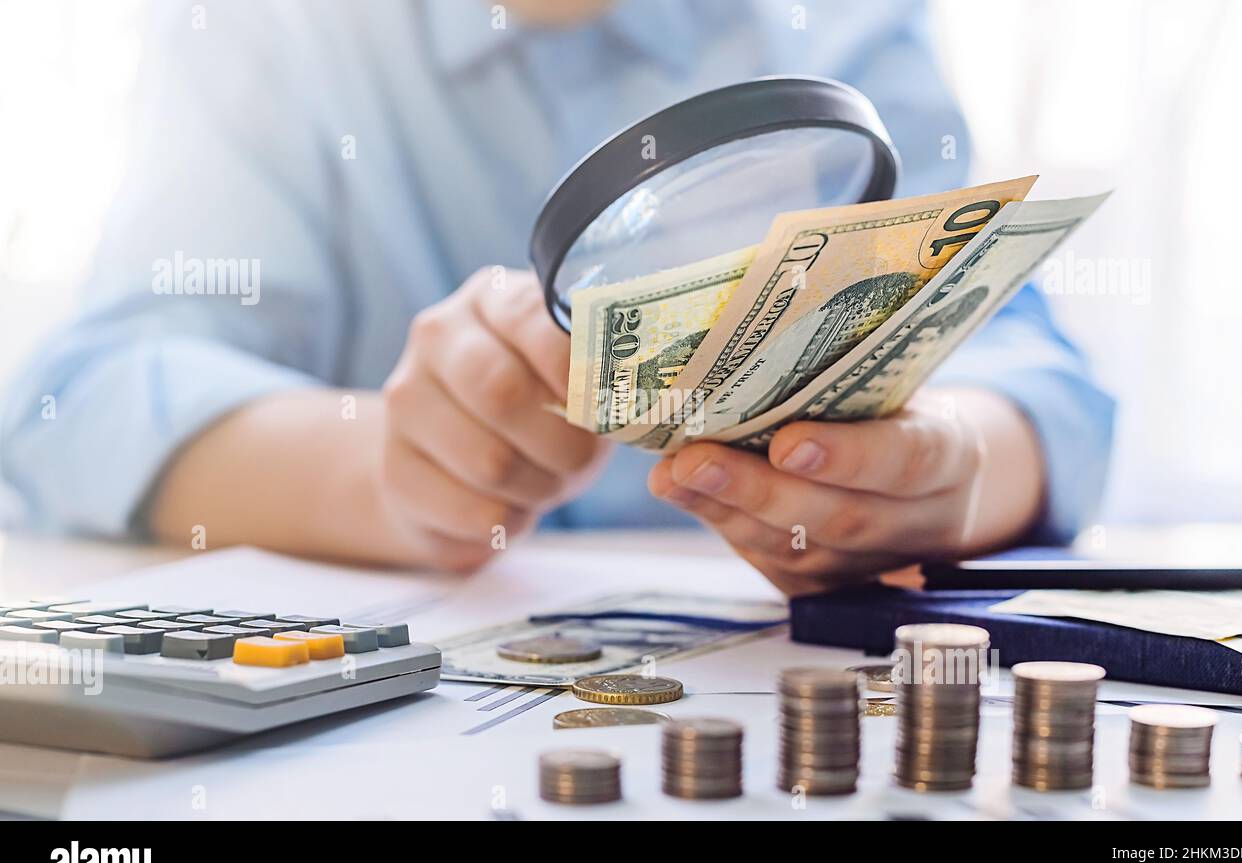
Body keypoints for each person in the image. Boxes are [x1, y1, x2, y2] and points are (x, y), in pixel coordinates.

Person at [0, 0, 1112, 595]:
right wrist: (389, 472)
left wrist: (945, 474)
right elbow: (79, 401)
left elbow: (1038, 384)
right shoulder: (263, 22)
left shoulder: (841, 15)